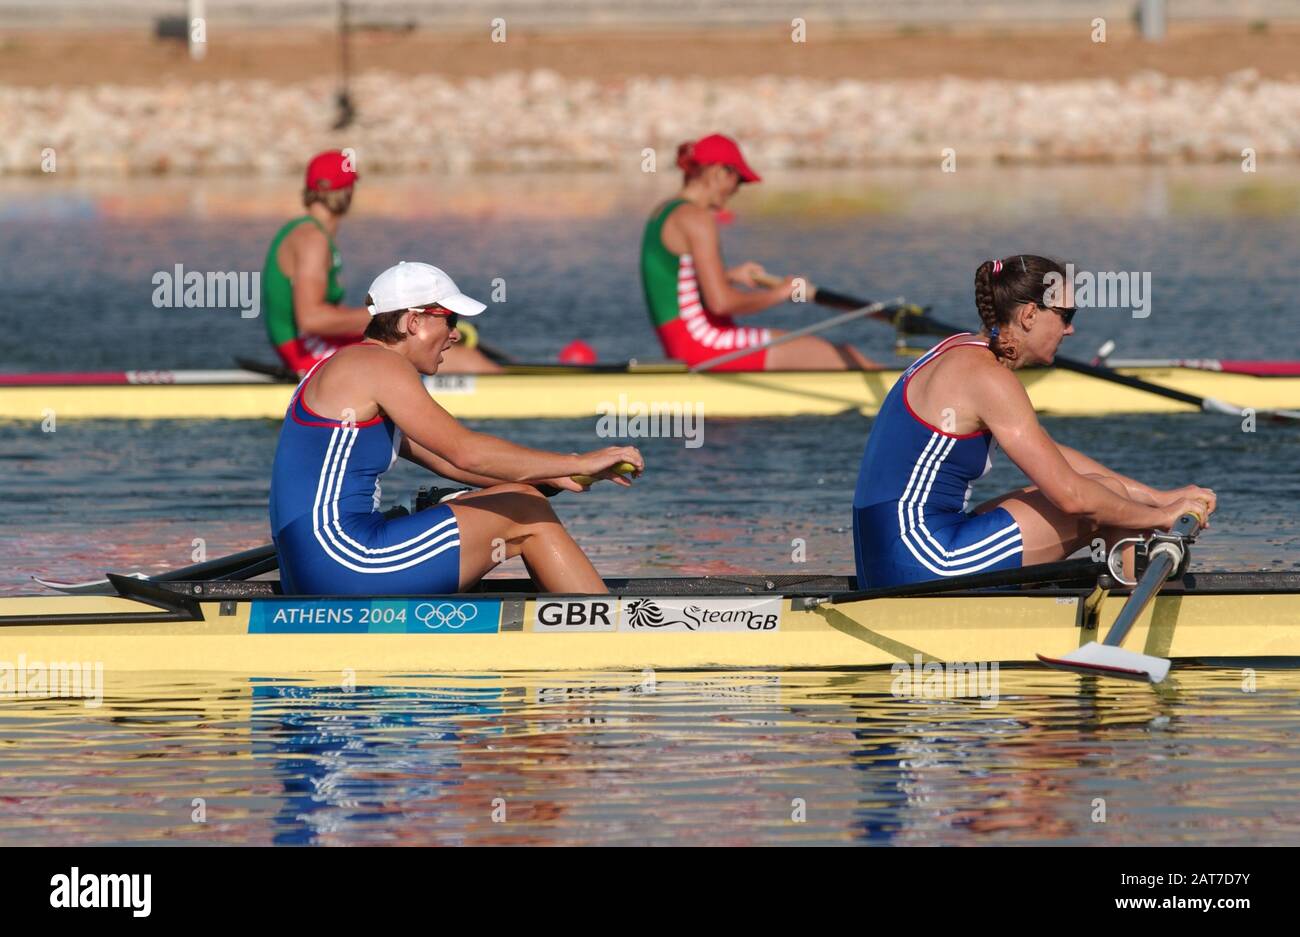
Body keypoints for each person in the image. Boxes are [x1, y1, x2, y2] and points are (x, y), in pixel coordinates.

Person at [269, 260, 642, 595]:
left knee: (514, 493)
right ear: (412, 322)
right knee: (525, 508)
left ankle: (572, 619)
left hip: (309, 569)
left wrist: (552, 475)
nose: (456, 335)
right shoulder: (380, 366)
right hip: (346, 561)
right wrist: (578, 462)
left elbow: (453, 464)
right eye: (450, 320)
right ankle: (603, 629)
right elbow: (467, 451)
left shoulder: (340, 367)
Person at [852, 254, 1215, 588]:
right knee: (1099, 504)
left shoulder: (960, 350)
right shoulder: (987, 377)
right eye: (1066, 316)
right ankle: (1133, 617)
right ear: (1029, 315)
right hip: (922, 561)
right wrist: (1163, 517)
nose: (1070, 330)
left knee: (1106, 493)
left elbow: (1052, 455)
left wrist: (1158, 498)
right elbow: (1072, 499)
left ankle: (1123, 591)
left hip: (889, 554)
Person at [640, 133, 878, 371]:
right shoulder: (697, 219)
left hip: (684, 343)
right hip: (705, 345)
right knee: (845, 357)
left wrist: (729, 276)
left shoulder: (663, 211)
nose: (737, 190)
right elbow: (721, 304)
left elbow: (674, 283)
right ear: (720, 172)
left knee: (837, 354)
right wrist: (782, 293)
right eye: (739, 180)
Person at [261, 150, 501, 376]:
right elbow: (312, 320)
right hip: (305, 352)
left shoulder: (305, 232)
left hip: (307, 345)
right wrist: (388, 315)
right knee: (459, 359)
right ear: (347, 191)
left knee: (429, 344)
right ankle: (513, 387)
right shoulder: (312, 239)